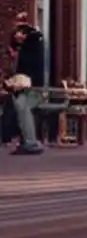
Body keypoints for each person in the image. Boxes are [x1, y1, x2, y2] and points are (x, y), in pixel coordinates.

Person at [7, 13, 46, 155]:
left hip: (29, 84)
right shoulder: (34, 41)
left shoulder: (31, 42)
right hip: (29, 83)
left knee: (23, 108)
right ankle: (27, 140)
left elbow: (27, 64)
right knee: (21, 108)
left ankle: (30, 141)